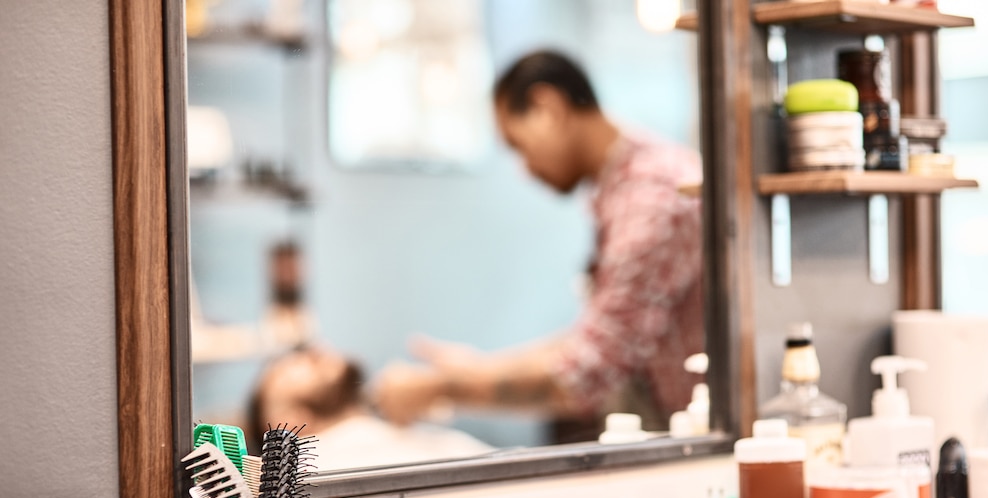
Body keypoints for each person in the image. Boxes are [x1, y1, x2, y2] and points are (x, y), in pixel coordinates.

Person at [374, 49, 704, 432]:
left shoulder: (650, 200)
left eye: (518, 145)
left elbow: (588, 372)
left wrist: (441, 389)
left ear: (548, 108)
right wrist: (482, 368)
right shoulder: (628, 184)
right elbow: (597, 333)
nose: (525, 168)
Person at [248, 345, 494, 471]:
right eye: (290, 367)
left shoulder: (385, 434)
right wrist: (455, 385)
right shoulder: (314, 473)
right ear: (287, 420)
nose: (314, 351)